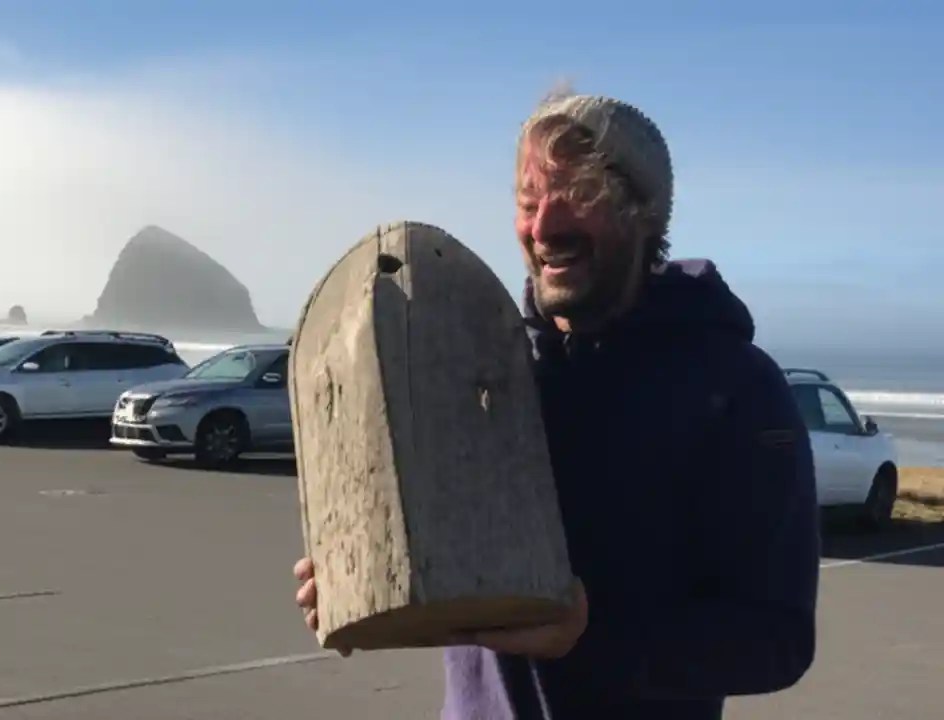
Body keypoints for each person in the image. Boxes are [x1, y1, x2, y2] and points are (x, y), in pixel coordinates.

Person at [293, 89, 820, 719]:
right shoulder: (483, 363)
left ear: (645, 212)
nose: (544, 228)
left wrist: (591, 638)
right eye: (528, 201)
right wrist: (361, 581)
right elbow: (449, 567)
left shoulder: (735, 388)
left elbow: (777, 640)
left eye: (579, 198)